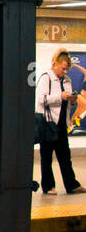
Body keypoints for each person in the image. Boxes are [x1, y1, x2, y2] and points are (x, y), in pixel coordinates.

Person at [36, 48, 83, 195]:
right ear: (55, 64)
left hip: (62, 123)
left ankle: (71, 185)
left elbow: (67, 103)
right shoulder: (46, 77)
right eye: (63, 69)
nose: (65, 72)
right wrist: (60, 96)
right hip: (48, 124)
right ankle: (48, 186)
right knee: (46, 157)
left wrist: (72, 101)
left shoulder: (67, 80)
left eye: (67, 69)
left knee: (65, 157)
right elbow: (41, 99)